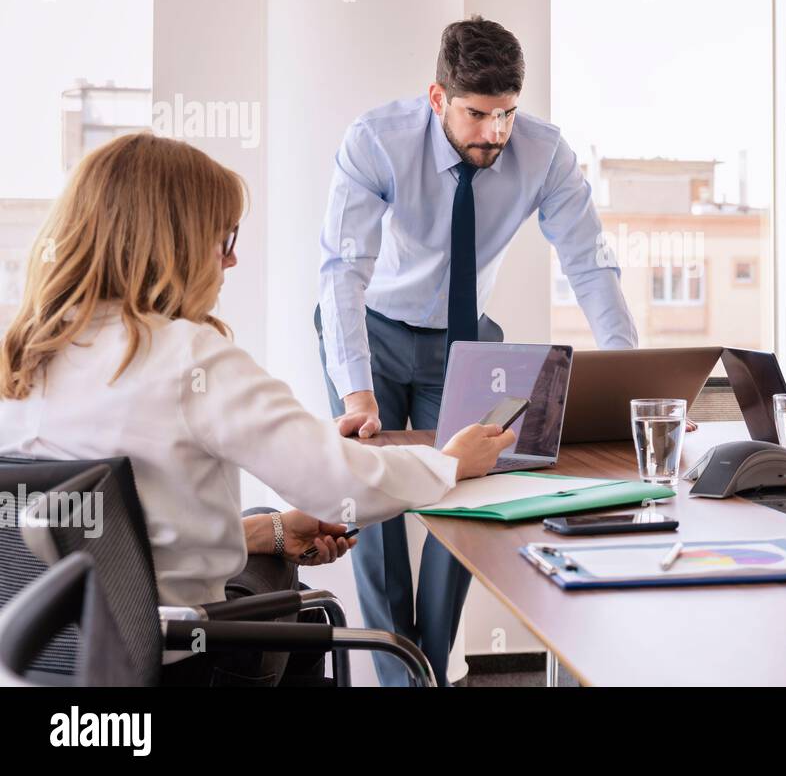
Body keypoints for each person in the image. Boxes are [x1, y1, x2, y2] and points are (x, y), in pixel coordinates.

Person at [0, 132, 515, 684]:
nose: (233, 257)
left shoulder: (23, 358)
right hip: (186, 658)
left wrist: (271, 527)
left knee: (262, 536)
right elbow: (341, 486)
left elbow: (108, 535)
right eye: (223, 238)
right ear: (173, 242)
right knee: (286, 593)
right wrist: (452, 461)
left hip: (41, 666)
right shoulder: (185, 356)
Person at [315, 15, 638, 686]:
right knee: (372, 502)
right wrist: (356, 388)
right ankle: (400, 672)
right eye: (478, 114)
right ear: (438, 98)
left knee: (466, 494)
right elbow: (342, 271)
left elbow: (590, 263)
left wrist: (625, 367)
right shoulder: (377, 140)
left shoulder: (544, 153)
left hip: (466, 338)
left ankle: (424, 672)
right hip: (371, 329)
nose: (495, 132)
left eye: (507, 114)